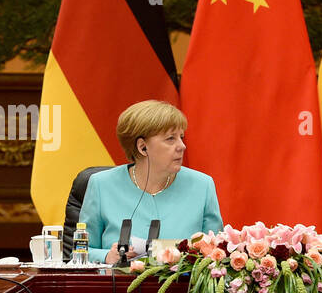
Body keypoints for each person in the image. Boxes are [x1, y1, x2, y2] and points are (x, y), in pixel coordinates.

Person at [77, 101, 223, 263]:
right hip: (119, 286)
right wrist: (106, 256)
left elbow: (217, 253)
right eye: (170, 139)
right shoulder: (101, 185)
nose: (182, 146)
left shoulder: (202, 186)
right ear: (142, 147)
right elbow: (80, 251)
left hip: (183, 287)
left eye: (181, 137)